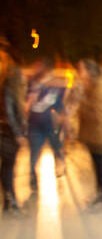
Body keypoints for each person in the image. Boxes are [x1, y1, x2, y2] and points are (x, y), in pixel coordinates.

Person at [26, 58, 67, 191]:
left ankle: (59, 165)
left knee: (56, 146)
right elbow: (26, 103)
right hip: (35, 125)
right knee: (34, 153)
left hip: (48, 123)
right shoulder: (31, 84)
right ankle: (33, 179)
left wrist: (63, 116)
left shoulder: (53, 86)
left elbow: (58, 103)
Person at [77, 59, 102, 210]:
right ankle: (99, 193)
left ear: (89, 71)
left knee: (99, 163)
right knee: (97, 163)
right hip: (93, 132)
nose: (79, 73)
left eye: (81, 70)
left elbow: (97, 113)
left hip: (97, 132)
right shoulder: (93, 84)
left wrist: (81, 103)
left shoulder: (99, 87)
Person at [1, 37, 26, 214]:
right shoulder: (10, 86)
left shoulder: (7, 84)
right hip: (7, 133)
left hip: (6, 132)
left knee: (7, 167)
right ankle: (11, 202)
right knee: (9, 167)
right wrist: (18, 132)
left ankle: (9, 201)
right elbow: (10, 112)